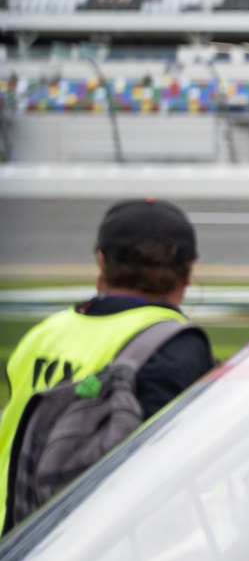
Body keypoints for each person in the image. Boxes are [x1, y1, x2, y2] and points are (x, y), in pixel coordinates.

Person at [1, 198, 214, 528]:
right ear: (188, 273)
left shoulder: (43, 333)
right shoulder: (178, 346)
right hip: (79, 550)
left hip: (12, 530)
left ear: (101, 261)